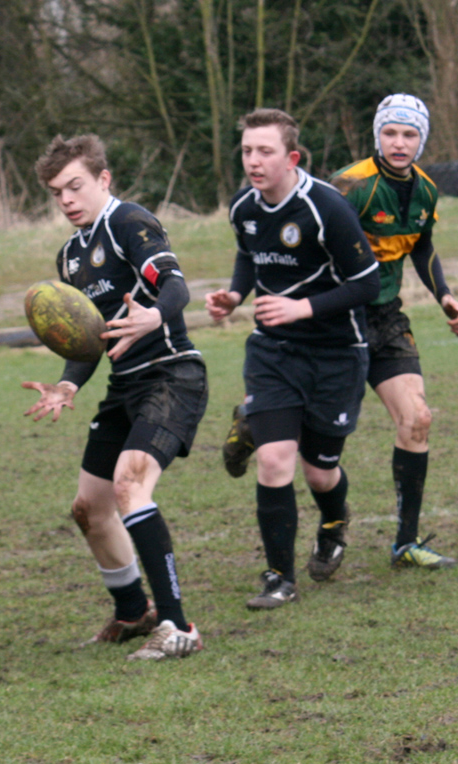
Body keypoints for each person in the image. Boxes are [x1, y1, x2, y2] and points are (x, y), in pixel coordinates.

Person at [23, 134, 207, 661]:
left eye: (75, 186)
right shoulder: (71, 256)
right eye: (57, 193)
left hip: (172, 376)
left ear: (103, 180)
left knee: (130, 484)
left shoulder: (129, 223)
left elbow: (174, 284)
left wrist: (156, 313)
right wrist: (66, 384)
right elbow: (90, 342)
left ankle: (178, 626)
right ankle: (133, 611)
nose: (66, 200)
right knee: (89, 508)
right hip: (125, 386)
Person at [206, 108, 380, 609]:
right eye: (246, 151)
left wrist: (301, 306)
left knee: (319, 469)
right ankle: (278, 577)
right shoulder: (244, 207)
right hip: (274, 351)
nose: (253, 161)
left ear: (292, 157)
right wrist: (235, 297)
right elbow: (248, 254)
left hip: (336, 355)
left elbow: (367, 283)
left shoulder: (327, 208)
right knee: (275, 459)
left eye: (265, 152)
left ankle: (333, 524)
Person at [330, 94, 458, 571]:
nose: (399, 142)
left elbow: (422, 245)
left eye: (409, 134)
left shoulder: (425, 189)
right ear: (377, 136)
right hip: (336, 322)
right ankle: (254, 417)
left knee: (418, 419)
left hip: (386, 319)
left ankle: (405, 544)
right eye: (390, 132)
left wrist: (444, 292)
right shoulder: (349, 185)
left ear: (421, 140)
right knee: (312, 431)